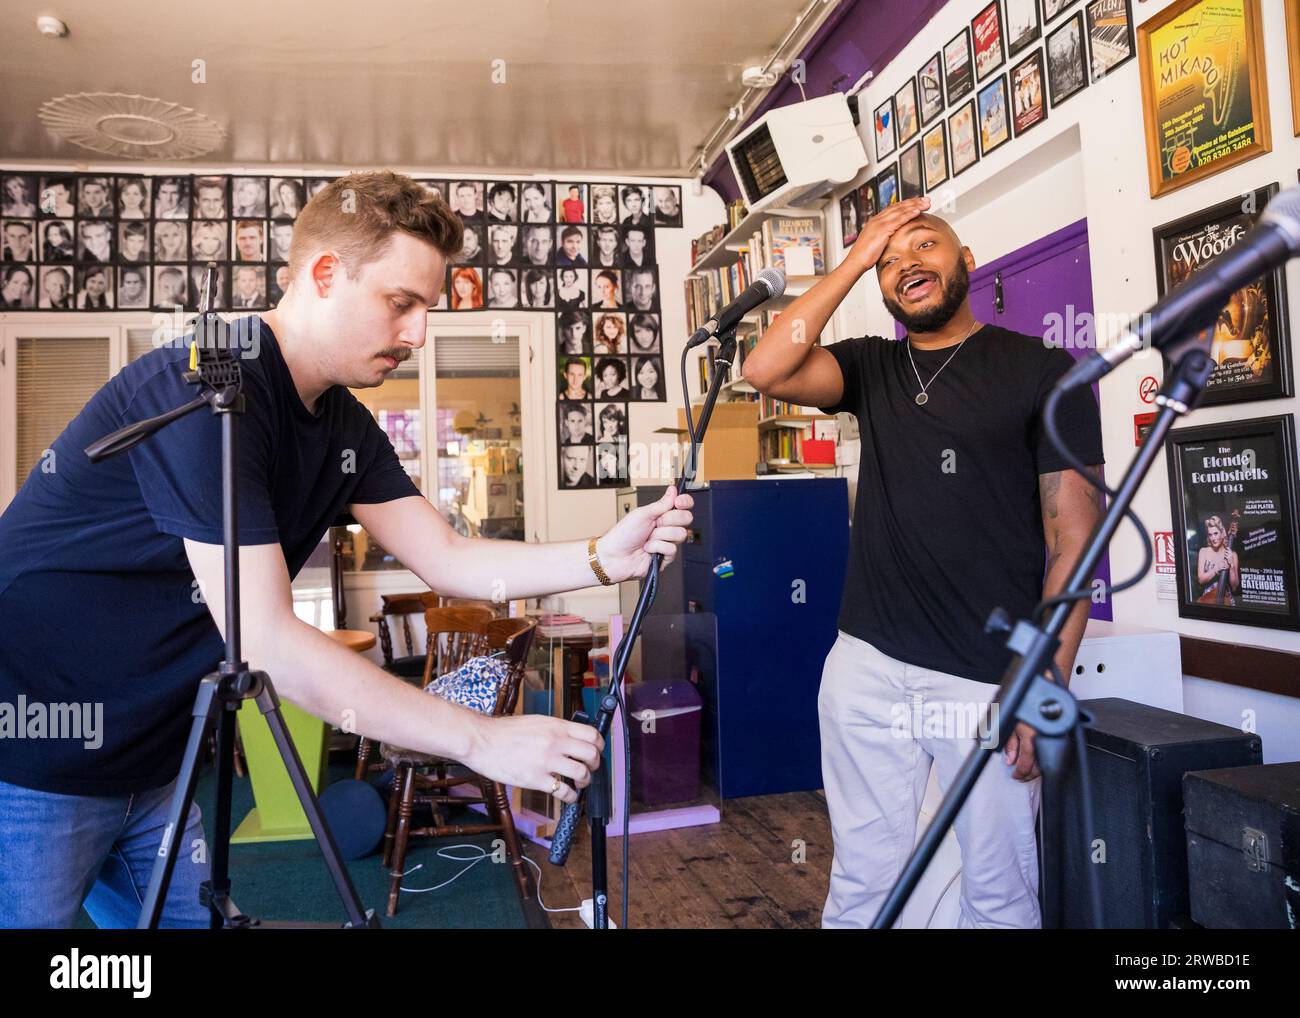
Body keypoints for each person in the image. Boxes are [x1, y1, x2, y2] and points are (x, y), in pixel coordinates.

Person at [0, 170, 694, 929]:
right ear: (325, 275)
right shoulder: (204, 387)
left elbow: (450, 558)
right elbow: (267, 640)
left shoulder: (341, 426)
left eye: (427, 308)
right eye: (402, 304)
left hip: (153, 761)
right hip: (32, 759)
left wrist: (600, 555)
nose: (419, 334)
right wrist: (480, 740)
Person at [740, 196, 1103, 930]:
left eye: (925, 246)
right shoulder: (870, 366)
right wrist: (856, 252)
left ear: (966, 261)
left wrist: (1044, 681)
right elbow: (766, 366)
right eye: (891, 260)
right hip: (866, 666)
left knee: (997, 893)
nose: (908, 264)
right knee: (862, 885)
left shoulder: (1040, 369)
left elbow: (1075, 543)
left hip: (984, 677)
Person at [1196, 513, 1239, 605]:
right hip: (1207, 599)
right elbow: (1200, 579)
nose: (1213, 538)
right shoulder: (1203, 551)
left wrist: (1231, 567)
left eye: (1216, 533)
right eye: (1210, 535)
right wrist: (1217, 568)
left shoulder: (1232, 554)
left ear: (1222, 533)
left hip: (1226, 600)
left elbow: (1234, 587)